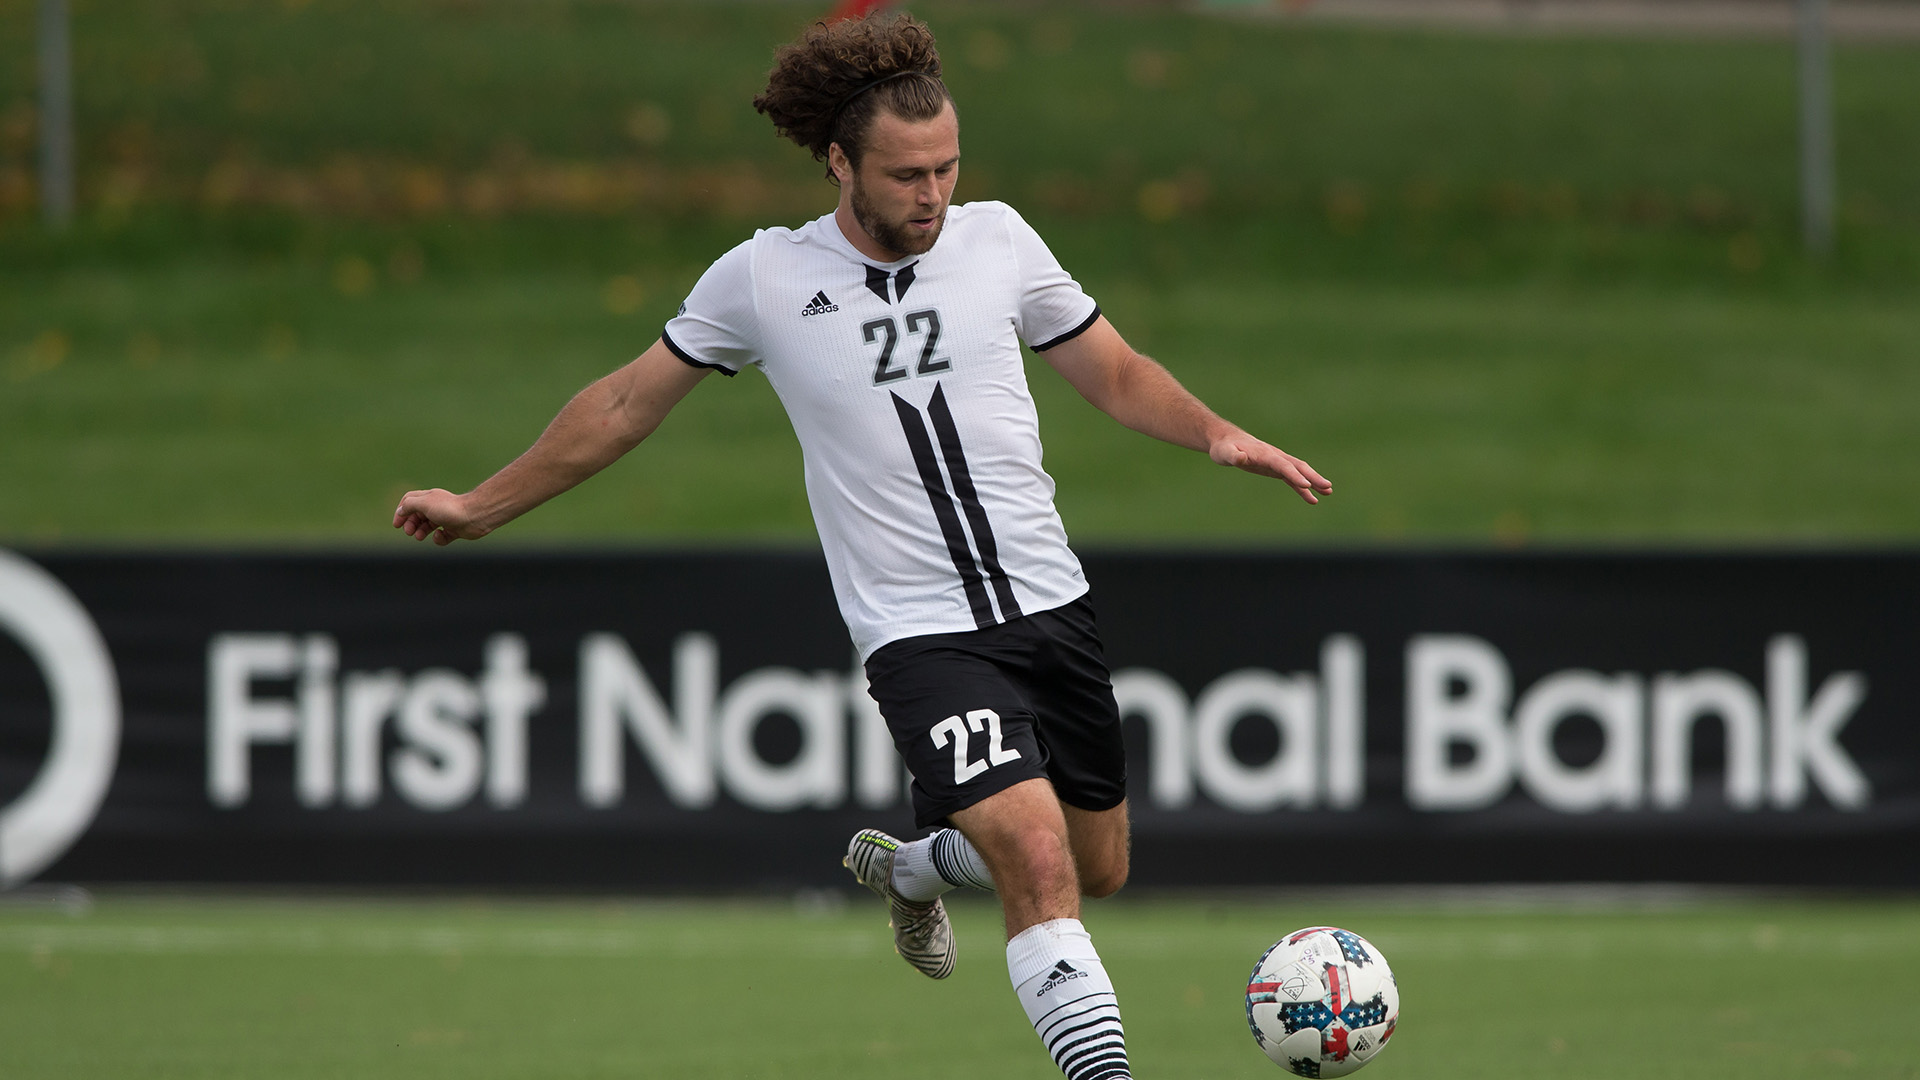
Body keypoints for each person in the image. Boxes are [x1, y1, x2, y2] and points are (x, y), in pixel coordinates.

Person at [393, 13, 1330, 1080]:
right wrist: (481, 505)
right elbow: (618, 405)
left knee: (1094, 865)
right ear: (839, 162)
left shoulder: (1001, 242)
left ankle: (918, 870)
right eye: (905, 174)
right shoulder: (763, 279)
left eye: (947, 169)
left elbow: (1115, 372)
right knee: (1031, 858)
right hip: (921, 635)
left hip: (1049, 605)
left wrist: (1215, 429)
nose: (931, 195)